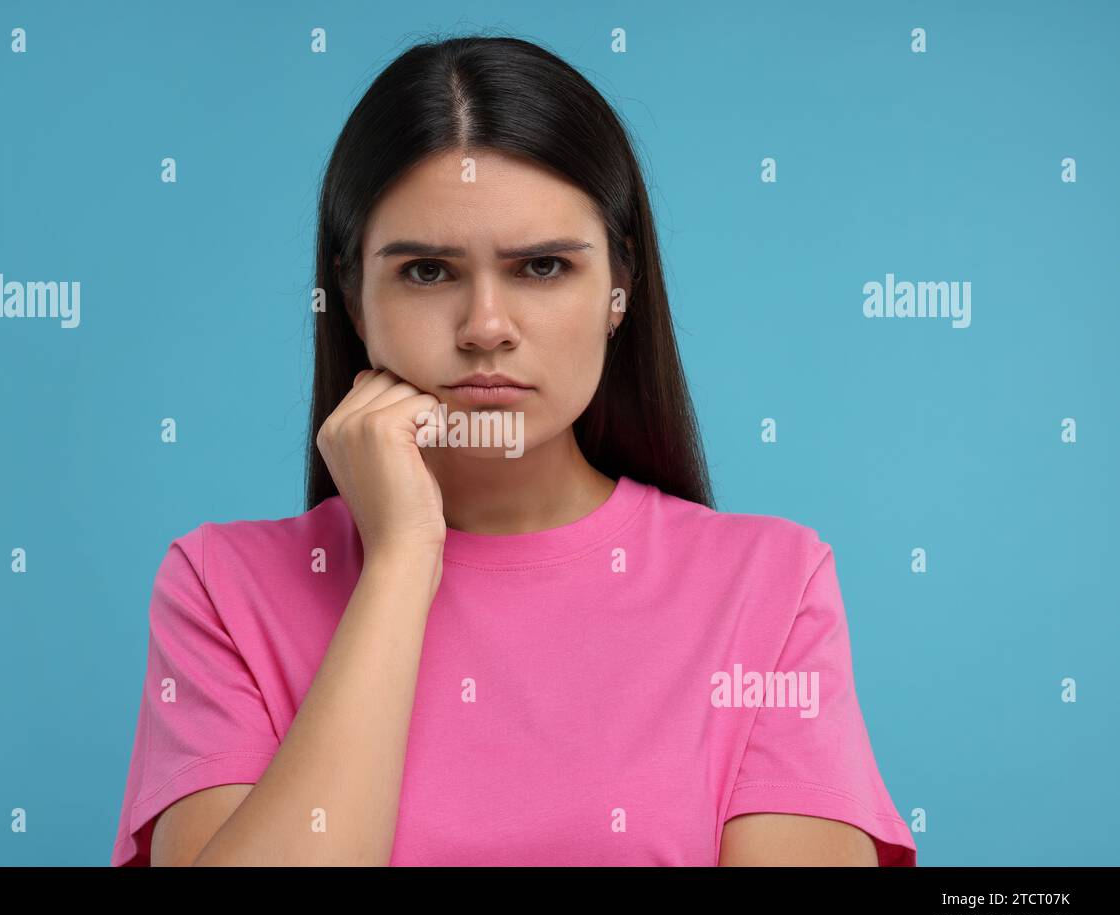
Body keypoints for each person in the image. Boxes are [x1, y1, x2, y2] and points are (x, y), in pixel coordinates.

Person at [110, 34, 917, 867]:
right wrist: (399, 560)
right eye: (427, 271)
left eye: (541, 266)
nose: (486, 327)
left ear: (618, 292)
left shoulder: (773, 588)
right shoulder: (220, 588)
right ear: (351, 297)